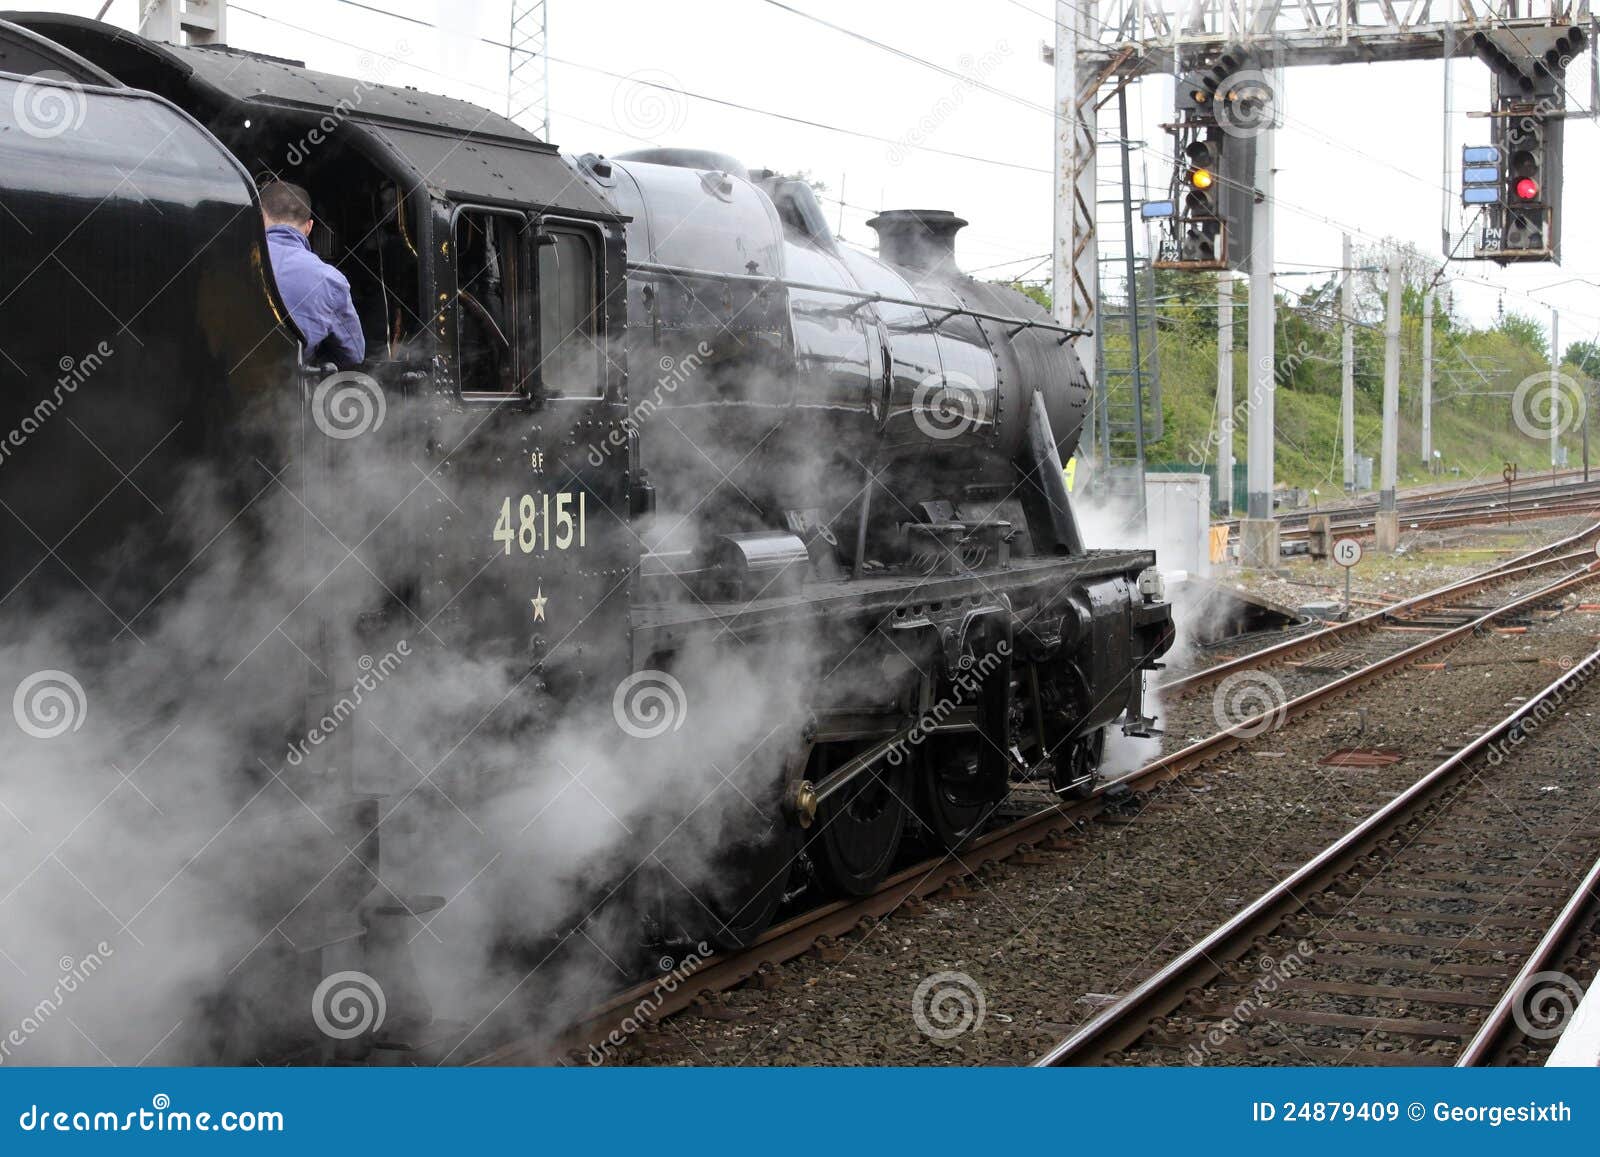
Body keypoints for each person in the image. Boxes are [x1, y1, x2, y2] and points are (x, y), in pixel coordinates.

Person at [260, 181, 365, 368]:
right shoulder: (331, 280)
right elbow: (354, 354)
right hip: (284, 392)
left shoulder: (225, 262)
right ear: (309, 227)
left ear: (260, 216)